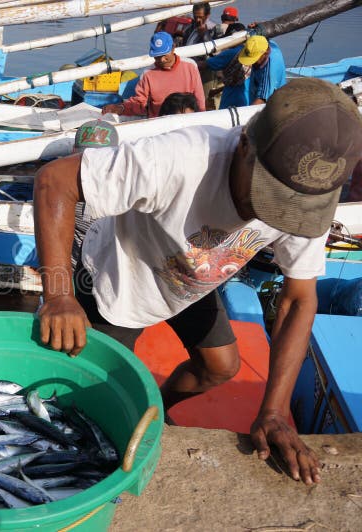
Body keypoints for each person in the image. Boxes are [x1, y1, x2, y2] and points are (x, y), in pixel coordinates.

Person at [33, 78, 362, 485]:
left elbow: (299, 300)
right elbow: (54, 181)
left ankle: (153, 406)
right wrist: (59, 295)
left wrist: (275, 411)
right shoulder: (180, 158)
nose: (272, 215)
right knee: (88, 412)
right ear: (244, 144)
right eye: (267, 196)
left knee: (220, 367)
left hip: (191, 278)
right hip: (117, 275)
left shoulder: (307, 198)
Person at [102, 32, 204, 118]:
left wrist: (202, 117)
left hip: (187, 121)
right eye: (157, 57)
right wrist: (121, 108)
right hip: (159, 123)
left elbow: (199, 99)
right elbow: (139, 103)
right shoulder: (148, 74)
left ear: (173, 48)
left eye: (164, 55)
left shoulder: (190, 66)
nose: (162, 60)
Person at [198, 23, 251, 109]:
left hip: (231, 99)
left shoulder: (230, 53)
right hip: (248, 99)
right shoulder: (251, 52)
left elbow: (204, 65)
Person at [240, 35, 287, 105]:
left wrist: (244, 114)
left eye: (255, 59)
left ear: (266, 52)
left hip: (270, 107)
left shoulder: (270, 68)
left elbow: (262, 100)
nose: (252, 63)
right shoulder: (269, 44)